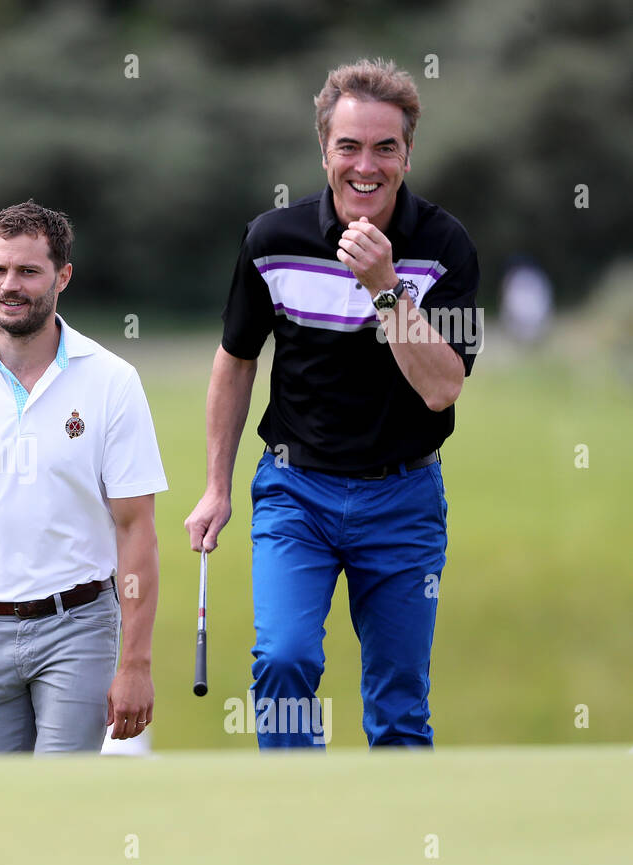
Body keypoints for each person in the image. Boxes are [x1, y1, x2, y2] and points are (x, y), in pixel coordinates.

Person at [184, 59, 480, 748]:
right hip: (296, 492)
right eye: (349, 146)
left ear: (409, 154)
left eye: (385, 147)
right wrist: (215, 487)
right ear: (324, 151)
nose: (365, 165)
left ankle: (400, 848)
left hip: (403, 498)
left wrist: (384, 286)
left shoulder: (445, 247)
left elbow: (442, 386)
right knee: (284, 659)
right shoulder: (271, 240)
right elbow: (235, 362)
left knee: (399, 700)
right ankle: (297, 827)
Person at [0, 201, 168, 754]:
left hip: (80, 627)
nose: (9, 286)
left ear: (62, 276)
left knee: (59, 810)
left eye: (28, 271)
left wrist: (136, 663)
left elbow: (136, 528)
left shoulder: (113, 381)